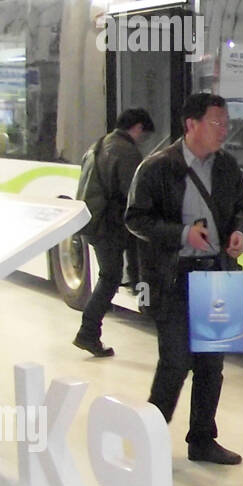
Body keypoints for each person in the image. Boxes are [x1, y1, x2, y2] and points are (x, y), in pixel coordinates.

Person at [126, 93, 243, 465]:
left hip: (217, 274)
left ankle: (202, 440)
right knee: (176, 363)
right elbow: (136, 218)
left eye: (226, 123)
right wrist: (182, 235)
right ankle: (148, 440)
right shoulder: (157, 167)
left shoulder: (227, 166)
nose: (223, 130)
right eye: (216, 122)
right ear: (191, 124)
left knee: (212, 365)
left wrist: (241, 233)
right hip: (174, 277)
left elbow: (242, 207)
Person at [73, 108, 155, 357]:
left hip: (93, 222)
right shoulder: (125, 151)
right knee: (109, 277)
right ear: (138, 127)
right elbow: (133, 192)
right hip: (108, 226)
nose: (143, 140)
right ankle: (88, 333)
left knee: (110, 275)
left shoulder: (100, 144)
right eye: (144, 134)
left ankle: (91, 330)